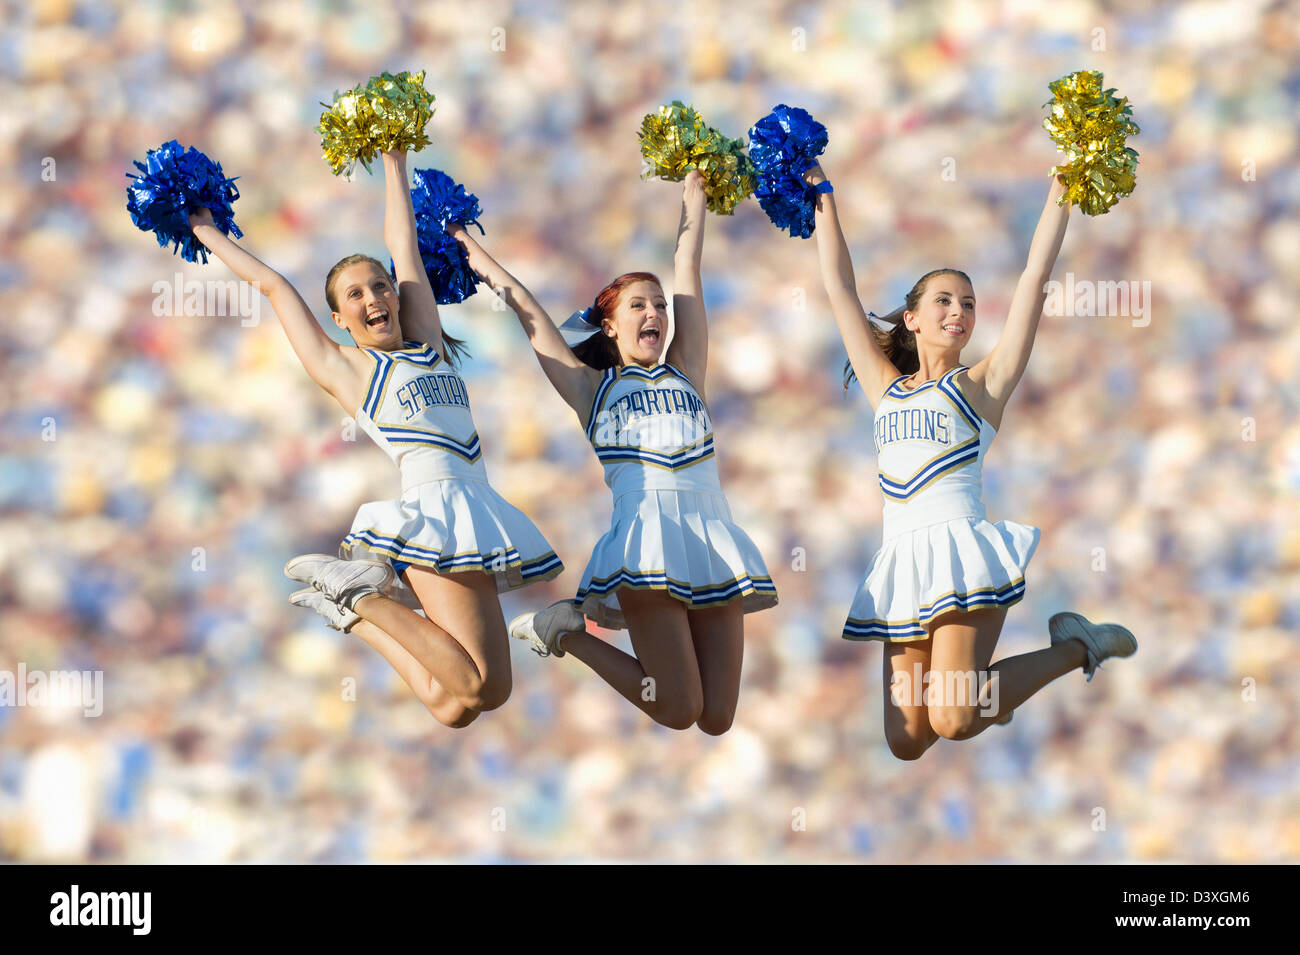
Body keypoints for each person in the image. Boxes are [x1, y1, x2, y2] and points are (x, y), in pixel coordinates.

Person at [187, 148, 563, 728]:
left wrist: (394, 160)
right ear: (339, 318)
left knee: (454, 706)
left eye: (379, 286)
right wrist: (203, 227)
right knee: (480, 687)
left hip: (473, 505)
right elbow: (272, 284)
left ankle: (352, 613)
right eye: (355, 296)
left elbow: (404, 243)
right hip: (433, 517)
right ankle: (361, 595)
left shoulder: (428, 344)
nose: (373, 299)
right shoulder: (350, 369)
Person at [805, 160, 1136, 760]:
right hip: (904, 562)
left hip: (962, 554)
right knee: (907, 740)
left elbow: (1035, 279)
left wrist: (1060, 196)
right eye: (943, 300)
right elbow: (839, 287)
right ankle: (993, 695)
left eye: (968, 302)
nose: (958, 310)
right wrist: (822, 195)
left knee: (955, 718)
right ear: (911, 318)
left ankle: (1072, 646)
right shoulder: (885, 387)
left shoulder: (982, 386)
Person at [447, 170, 776, 735]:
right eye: (639, 306)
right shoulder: (589, 389)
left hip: (712, 534)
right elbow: (527, 309)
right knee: (677, 708)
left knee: (717, 717)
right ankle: (567, 633)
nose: (655, 314)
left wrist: (694, 196)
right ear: (610, 324)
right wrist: (472, 252)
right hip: (644, 540)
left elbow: (687, 272)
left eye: (659, 307)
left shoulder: (686, 371)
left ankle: (565, 629)